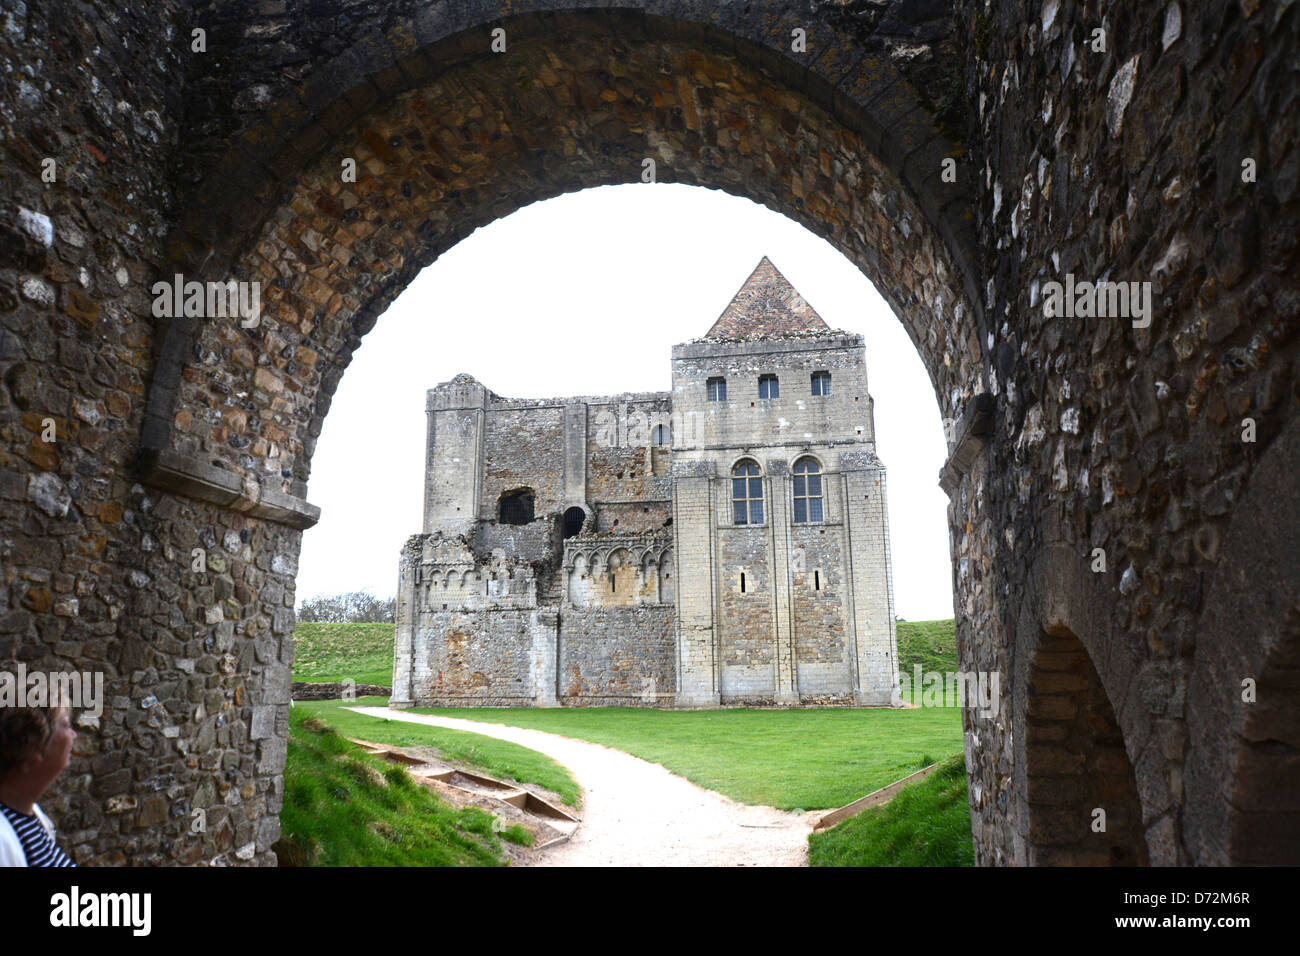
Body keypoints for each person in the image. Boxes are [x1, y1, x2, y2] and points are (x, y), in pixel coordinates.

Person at [0, 704, 77, 866]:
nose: (73, 734)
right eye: (66, 725)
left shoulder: (29, 814)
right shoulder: (3, 841)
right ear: (34, 745)